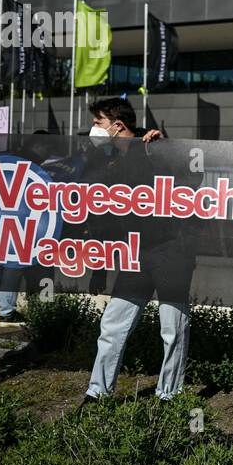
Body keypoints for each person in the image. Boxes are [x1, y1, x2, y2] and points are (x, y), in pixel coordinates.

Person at [81, 97, 186, 405]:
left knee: (173, 328)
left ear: (118, 125)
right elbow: (100, 210)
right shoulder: (107, 159)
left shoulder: (153, 146)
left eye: (98, 122)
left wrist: (167, 148)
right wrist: (99, 264)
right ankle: (97, 393)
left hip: (171, 253)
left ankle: (169, 395)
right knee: (113, 324)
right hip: (134, 255)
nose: (93, 129)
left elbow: (188, 176)